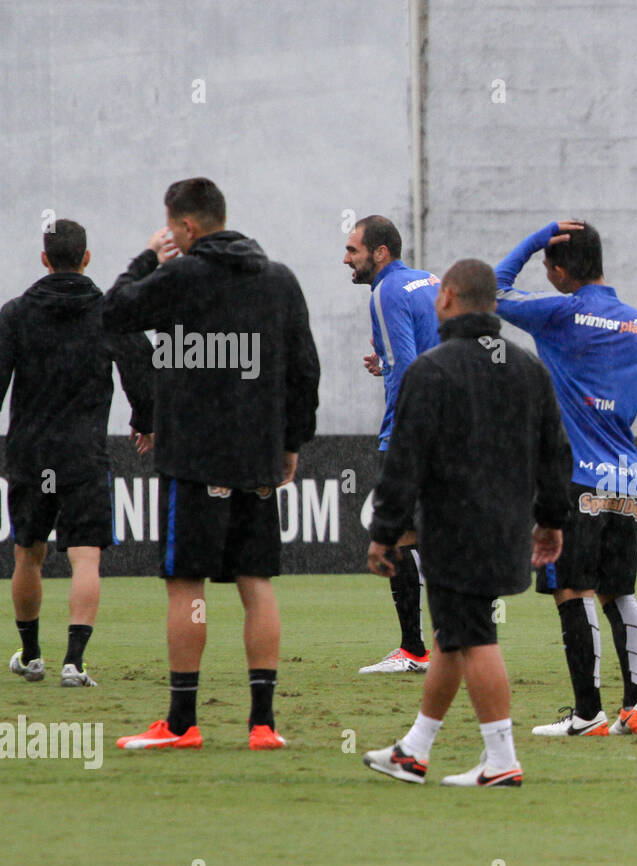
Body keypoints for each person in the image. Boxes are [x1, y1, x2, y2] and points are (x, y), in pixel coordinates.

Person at [101, 177, 320, 750]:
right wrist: (291, 442)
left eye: (171, 226)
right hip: (258, 458)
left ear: (187, 227)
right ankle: (264, 724)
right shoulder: (279, 280)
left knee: (187, 585)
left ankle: (181, 723)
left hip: (194, 457)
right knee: (257, 582)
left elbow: (114, 313)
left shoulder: (179, 276)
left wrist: (147, 257)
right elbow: (305, 370)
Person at [361, 259, 571, 786]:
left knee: (473, 637)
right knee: (452, 638)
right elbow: (555, 456)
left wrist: (385, 532)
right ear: (493, 305)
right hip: (507, 527)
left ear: (449, 297)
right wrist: (549, 521)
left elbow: (404, 463)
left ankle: (501, 761)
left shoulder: (430, 370)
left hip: (455, 529)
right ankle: (414, 750)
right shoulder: (528, 368)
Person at [495, 220, 637, 737]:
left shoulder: (558, 311)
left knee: (571, 590)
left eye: (548, 263)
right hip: (624, 482)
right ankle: (636, 707)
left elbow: (489, 290)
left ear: (556, 271)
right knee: (619, 592)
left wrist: (535, 237)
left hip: (574, 480)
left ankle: (587, 713)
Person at [1, 219, 154, 687]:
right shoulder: (108, 312)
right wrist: (144, 420)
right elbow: (143, 372)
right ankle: (74, 662)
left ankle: (31, 655)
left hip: (30, 453)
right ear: (87, 258)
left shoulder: (15, 314)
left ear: (45, 259)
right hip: (83, 454)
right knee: (86, 557)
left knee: (28, 554)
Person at [343, 216, 440, 673]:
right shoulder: (430, 281)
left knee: (399, 537)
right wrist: (384, 360)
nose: (347, 259)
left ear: (380, 253)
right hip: (451, 427)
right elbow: (426, 350)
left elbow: (405, 365)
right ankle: (451, 642)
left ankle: (414, 650)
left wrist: (401, 432)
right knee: (432, 535)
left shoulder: (383, 291)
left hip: (410, 429)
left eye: (353, 250)